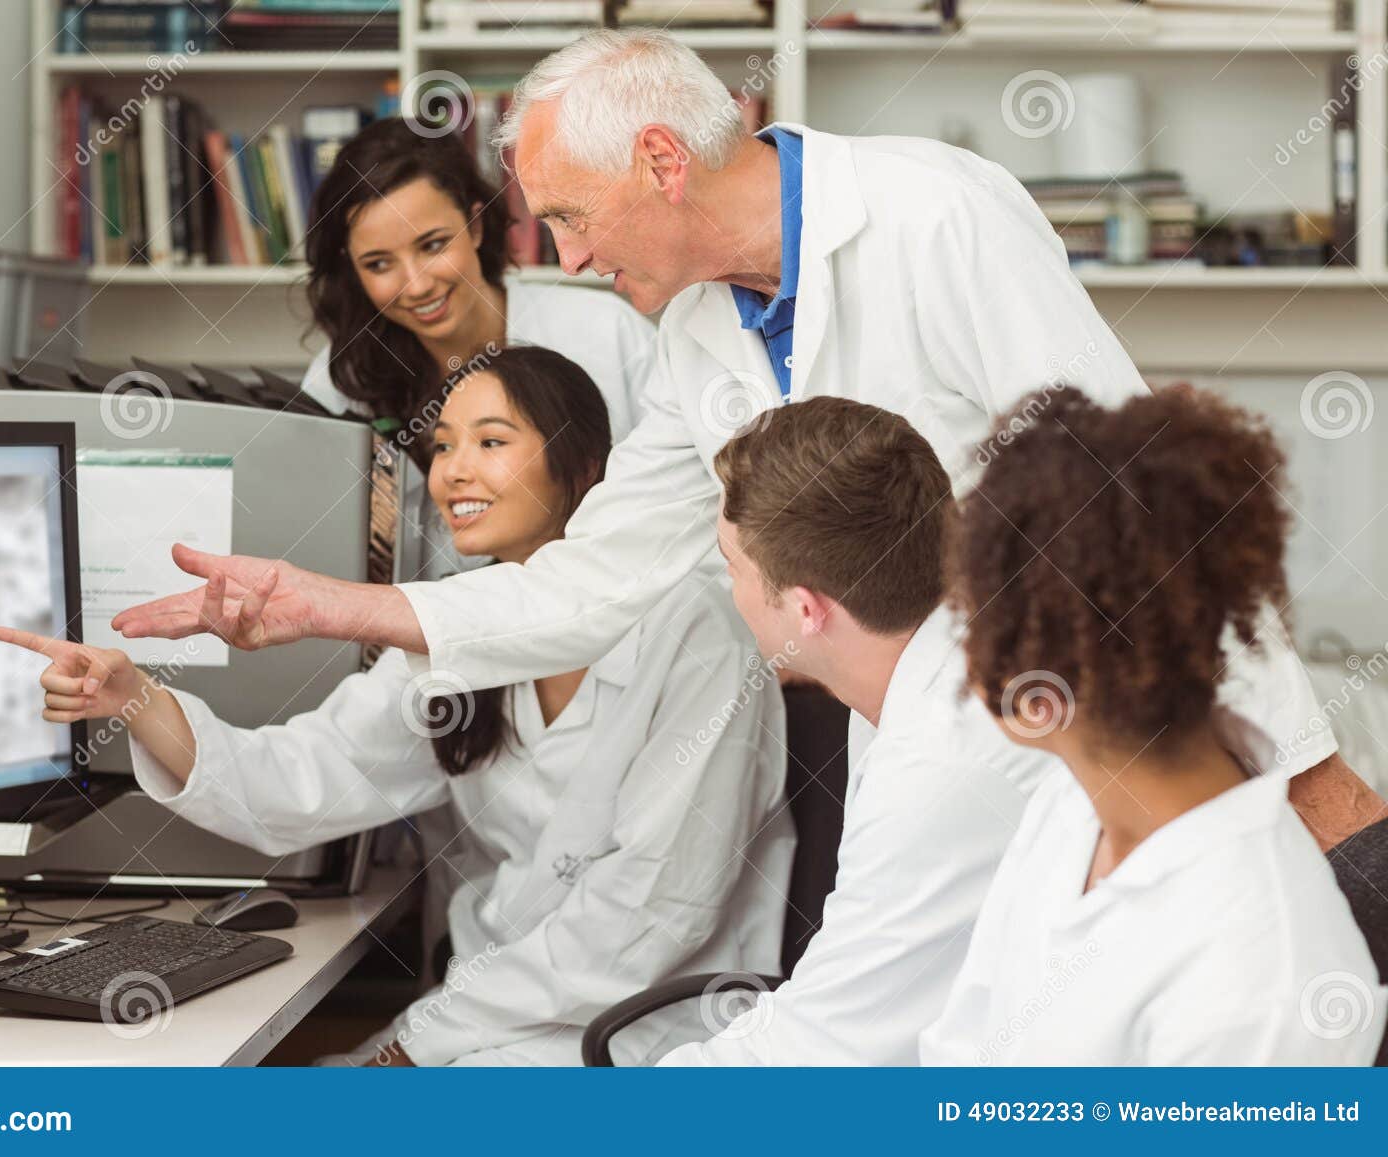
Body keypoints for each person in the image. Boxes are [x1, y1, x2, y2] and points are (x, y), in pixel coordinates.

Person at [111, 29, 1377, 848]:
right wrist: (327, 605)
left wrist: (1314, 780)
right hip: (920, 739)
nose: (566, 258)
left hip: (1092, 719)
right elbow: (600, 577)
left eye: (569, 216)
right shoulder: (700, 329)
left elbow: (1134, 498)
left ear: (661, 159)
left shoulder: (935, 217)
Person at [0, 347, 791, 1067]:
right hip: (493, 1017)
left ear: (580, 465)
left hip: (652, 1031)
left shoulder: (700, 631)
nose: (452, 471)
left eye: (492, 441)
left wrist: (410, 1047)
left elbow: (648, 919)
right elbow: (306, 780)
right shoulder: (454, 625)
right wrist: (135, 697)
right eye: (442, 446)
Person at [921, 386, 1386, 1065]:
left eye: (973, 614)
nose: (961, 648)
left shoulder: (1261, 974)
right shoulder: (1070, 804)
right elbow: (958, 1063)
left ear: (1033, 663)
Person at [302, 117, 656, 580]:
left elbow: (683, 500)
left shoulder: (606, 333)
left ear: (474, 226)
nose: (416, 284)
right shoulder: (341, 378)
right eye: (378, 263)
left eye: (432, 245)